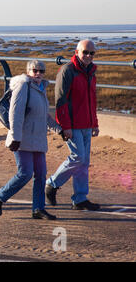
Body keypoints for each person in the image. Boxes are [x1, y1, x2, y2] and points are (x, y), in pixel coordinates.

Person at [0, 60, 61, 220]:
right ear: (28, 71)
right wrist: (15, 136)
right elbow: (14, 113)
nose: (38, 74)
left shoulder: (41, 88)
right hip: (22, 139)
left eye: (41, 71)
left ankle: (38, 209)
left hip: (38, 139)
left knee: (41, 174)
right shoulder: (23, 86)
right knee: (25, 173)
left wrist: (59, 129)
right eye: (34, 70)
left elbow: (44, 116)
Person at [45, 40, 101, 211]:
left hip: (86, 124)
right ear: (77, 52)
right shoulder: (67, 71)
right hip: (72, 124)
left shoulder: (91, 71)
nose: (89, 56)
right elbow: (61, 100)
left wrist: (94, 123)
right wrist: (65, 126)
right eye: (85, 52)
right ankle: (52, 184)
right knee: (77, 158)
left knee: (84, 163)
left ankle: (80, 198)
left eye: (92, 53)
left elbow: (92, 100)